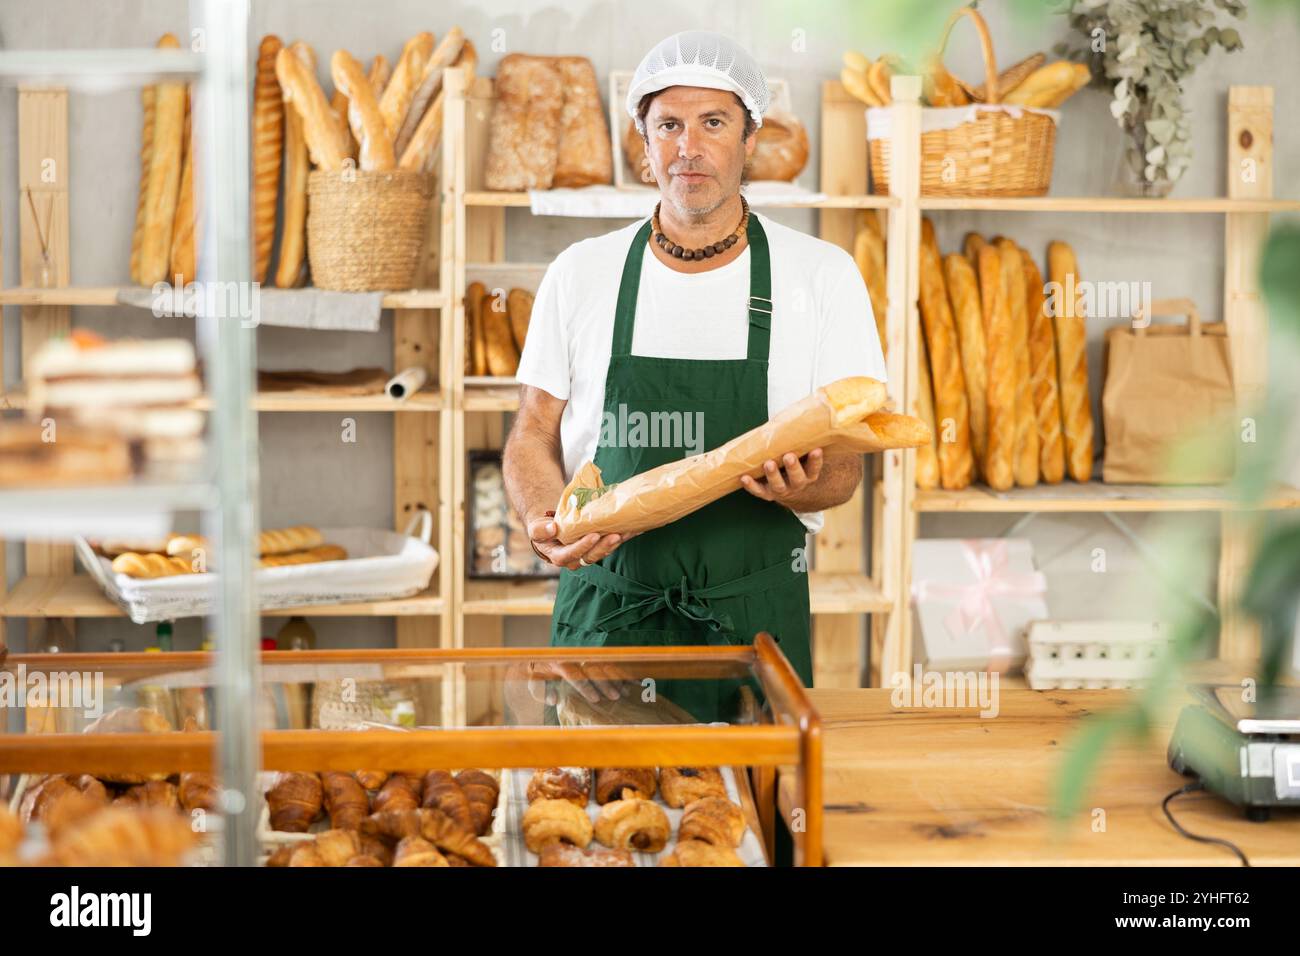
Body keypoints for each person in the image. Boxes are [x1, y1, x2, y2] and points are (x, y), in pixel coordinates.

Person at [503, 30, 887, 724]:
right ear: (643, 148)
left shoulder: (822, 275)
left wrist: (811, 483)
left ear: (749, 140)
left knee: (755, 825)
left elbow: (847, 471)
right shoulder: (582, 272)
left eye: (714, 123)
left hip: (752, 627)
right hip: (608, 624)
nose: (690, 146)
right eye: (669, 125)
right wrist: (540, 512)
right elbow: (533, 431)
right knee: (599, 826)